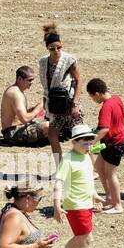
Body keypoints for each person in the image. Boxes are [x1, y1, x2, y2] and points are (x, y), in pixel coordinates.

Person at [51, 122, 102, 248]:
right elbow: (58, 183)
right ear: (74, 142)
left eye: (89, 142)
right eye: (84, 142)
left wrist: (95, 195)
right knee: (86, 239)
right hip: (75, 205)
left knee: (82, 237)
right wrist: (57, 205)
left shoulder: (86, 156)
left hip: (86, 203)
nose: (88, 145)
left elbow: (87, 179)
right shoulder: (68, 159)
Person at [38, 24, 82, 164]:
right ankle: (60, 167)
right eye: (52, 48)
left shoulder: (69, 60)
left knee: (80, 136)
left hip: (69, 103)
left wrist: (75, 103)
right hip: (54, 105)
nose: (56, 50)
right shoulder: (43, 62)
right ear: (47, 48)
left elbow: (79, 80)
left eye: (59, 47)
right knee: (52, 136)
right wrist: (45, 104)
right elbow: (46, 85)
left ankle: (92, 168)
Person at [86, 78, 124, 214]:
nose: (93, 100)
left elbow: (104, 129)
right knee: (98, 166)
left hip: (115, 143)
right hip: (111, 142)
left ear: (97, 93)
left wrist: (90, 144)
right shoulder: (116, 98)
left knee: (111, 174)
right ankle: (110, 198)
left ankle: (118, 205)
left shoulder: (106, 107)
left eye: (92, 96)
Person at [0, 66, 48, 146]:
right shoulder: (15, 93)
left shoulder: (15, 90)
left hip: (13, 130)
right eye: (29, 80)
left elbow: (16, 115)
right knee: (48, 126)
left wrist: (33, 109)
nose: (31, 82)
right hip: (12, 133)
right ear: (19, 79)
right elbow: (24, 119)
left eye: (32, 80)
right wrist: (39, 108)